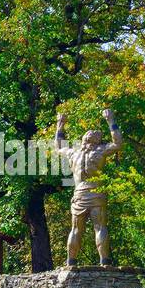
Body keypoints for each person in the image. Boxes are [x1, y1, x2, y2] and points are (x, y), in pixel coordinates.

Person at [55, 108, 121, 267]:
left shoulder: (73, 153)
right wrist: (111, 121)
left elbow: (58, 148)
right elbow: (118, 143)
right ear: (97, 140)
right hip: (96, 193)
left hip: (79, 195)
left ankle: (71, 261)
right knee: (99, 227)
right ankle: (105, 261)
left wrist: (60, 125)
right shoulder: (100, 151)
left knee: (76, 229)